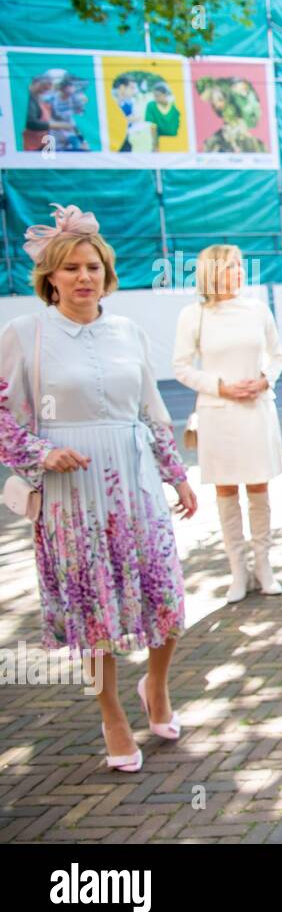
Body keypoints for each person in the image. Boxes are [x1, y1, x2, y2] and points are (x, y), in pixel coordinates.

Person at [0, 204, 197, 773]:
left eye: (92, 266)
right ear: (50, 278)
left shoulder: (128, 331)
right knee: (94, 616)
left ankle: (155, 689)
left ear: (106, 272)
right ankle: (111, 714)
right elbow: (3, 414)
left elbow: (150, 409)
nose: (83, 277)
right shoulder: (25, 334)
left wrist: (176, 475)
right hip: (70, 494)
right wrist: (41, 452)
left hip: (135, 484)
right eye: (70, 269)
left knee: (165, 599)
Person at [172, 244, 282, 603]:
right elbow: (181, 366)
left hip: (256, 409)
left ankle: (263, 566)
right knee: (225, 491)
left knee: (258, 489)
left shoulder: (256, 309)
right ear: (210, 273)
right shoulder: (194, 315)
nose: (237, 272)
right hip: (217, 413)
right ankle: (238, 571)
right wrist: (219, 386)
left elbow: (278, 355)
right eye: (228, 267)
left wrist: (265, 378)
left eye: (239, 265)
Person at [145, 81, 182, 152]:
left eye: (158, 95)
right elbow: (152, 126)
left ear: (165, 95)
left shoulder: (174, 106)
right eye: (154, 95)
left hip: (176, 143)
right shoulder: (151, 106)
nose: (156, 98)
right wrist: (155, 145)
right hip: (160, 143)